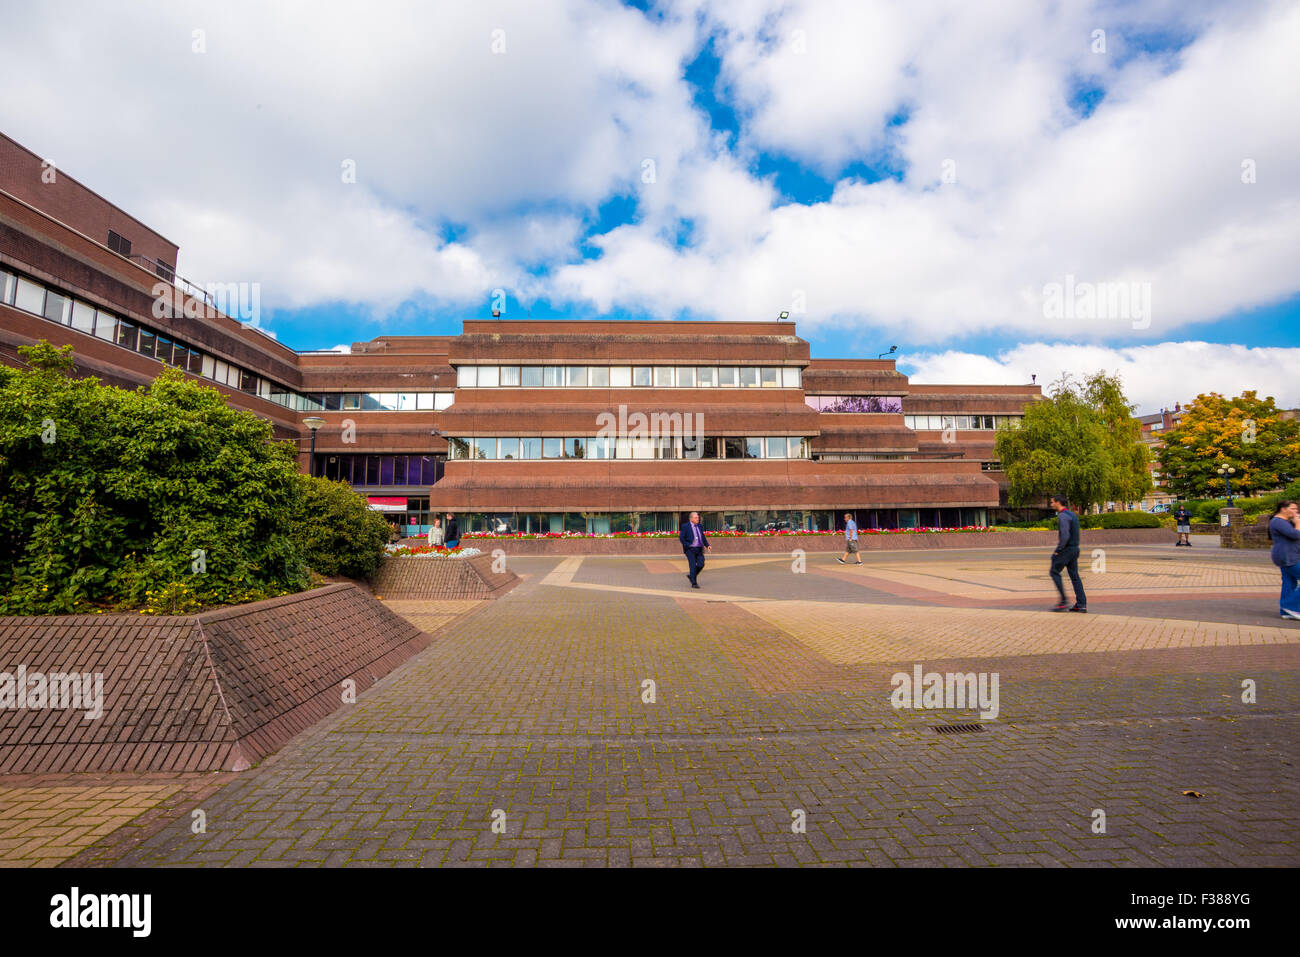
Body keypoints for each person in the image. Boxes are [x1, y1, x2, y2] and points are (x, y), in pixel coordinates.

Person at [1048, 494, 1086, 612]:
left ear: (1058, 502)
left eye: (1052, 502)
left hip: (1067, 549)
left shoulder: (1063, 516)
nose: (1051, 504)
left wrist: (1057, 550)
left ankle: (1063, 601)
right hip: (1075, 549)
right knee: (1074, 576)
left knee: (1054, 571)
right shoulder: (1072, 515)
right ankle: (1081, 604)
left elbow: (1065, 536)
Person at [1267, 500, 1300, 620]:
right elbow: (1295, 535)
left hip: (1288, 555)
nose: (1295, 511)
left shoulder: (1285, 521)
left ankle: (1286, 611)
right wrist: (1297, 523)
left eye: (1296, 509)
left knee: (1289, 582)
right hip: (1288, 556)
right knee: (1289, 581)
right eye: (1292, 509)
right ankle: (1290, 606)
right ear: (1283, 509)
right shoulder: (1278, 522)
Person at [679, 511, 710, 589]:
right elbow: (681, 537)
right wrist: (687, 545)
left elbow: (702, 536)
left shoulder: (699, 526)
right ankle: (694, 583)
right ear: (691, 519)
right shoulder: (685, 526)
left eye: (698, 517)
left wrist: (707, 545)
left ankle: (691, 576)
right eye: (696, 518)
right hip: (690, 549)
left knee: (701, 564)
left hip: (699, 548)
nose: (698, 519)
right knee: (692, 566)